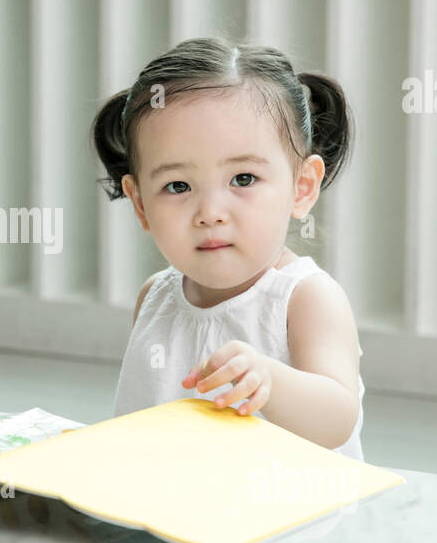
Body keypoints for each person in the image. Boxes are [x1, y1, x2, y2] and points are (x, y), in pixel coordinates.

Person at [92, 35, 365, 461]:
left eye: (243, 179)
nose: (211, 212)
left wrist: (271, 381)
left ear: (302, 186)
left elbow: (337, 418)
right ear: (140, 204)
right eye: (177, 186)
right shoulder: (154, 299)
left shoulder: (305, 298)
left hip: (292, 518)